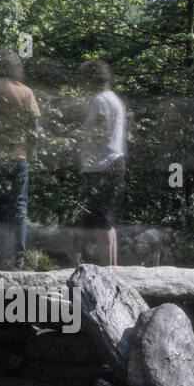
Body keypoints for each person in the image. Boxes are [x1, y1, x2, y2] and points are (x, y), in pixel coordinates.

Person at [0, 50, 40, 269]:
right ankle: (19, 258)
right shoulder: (26, 92)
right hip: (19, 155)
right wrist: (30, 155)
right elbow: (34, 129)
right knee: (20, 208)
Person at [76, 59, 127, 266]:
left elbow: (102, 132)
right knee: (107, 219)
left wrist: (76, 137)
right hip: (115, 162)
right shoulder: (115, 99)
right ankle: (112, 268)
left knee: (100, 219)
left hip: (102, 165)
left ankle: (106, 270)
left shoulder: (100, 101)